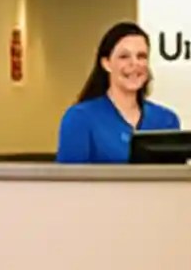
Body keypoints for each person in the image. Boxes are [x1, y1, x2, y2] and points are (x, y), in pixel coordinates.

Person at [56, 21, 181, 163]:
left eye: (141, 56)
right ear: (106, 63)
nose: (134, 64)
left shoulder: (166, 120)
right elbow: (70, 182)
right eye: (124, 57)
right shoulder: (79, 118)